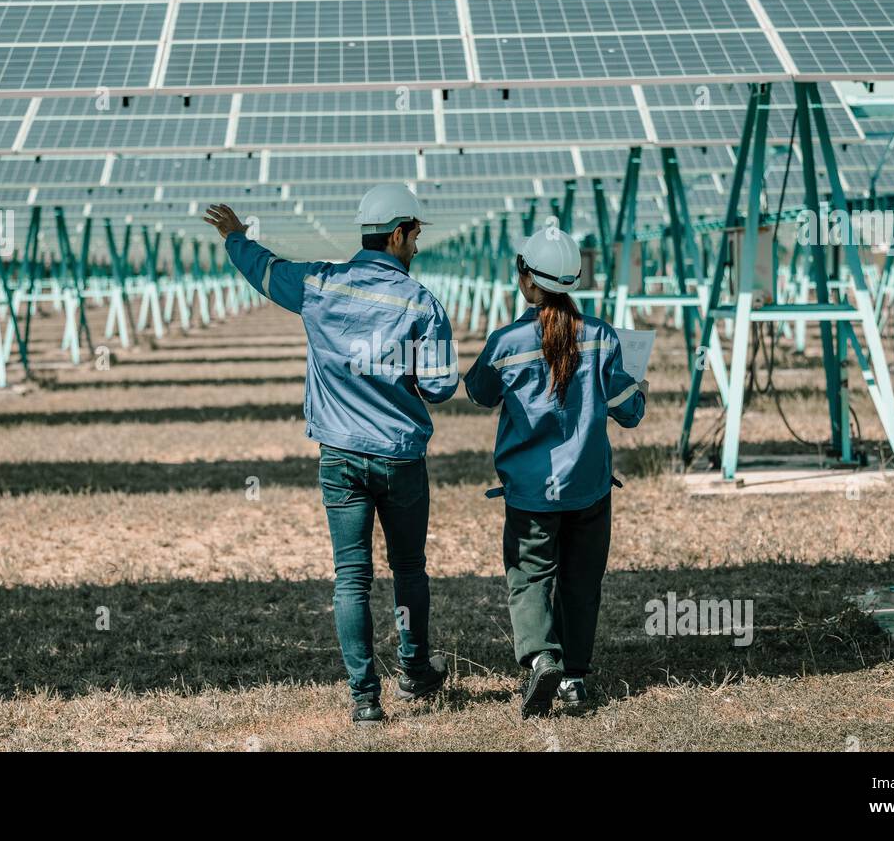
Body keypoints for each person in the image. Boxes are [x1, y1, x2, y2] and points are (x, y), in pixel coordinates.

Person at [203, 185, 458, 726]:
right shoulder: (422, 303)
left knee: (351, 578)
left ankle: (365, 699)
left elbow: (267, 271)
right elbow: (439, 387)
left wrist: (235, 237)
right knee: (409, 568)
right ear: (398, 234)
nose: (416, 246)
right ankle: (415, 671)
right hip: (400, 457)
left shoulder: (320, 283)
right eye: (415, 235)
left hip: (340, 455)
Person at [463, 226, 647, 719]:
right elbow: (630, 412)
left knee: (530, 579)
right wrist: (637, 385)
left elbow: (478, 392)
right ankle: (574, 681)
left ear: (526, 279)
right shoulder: (604, 337)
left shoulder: (507, 342)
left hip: (529, 492)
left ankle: (543, 655)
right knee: (581, 583)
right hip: (589, 488)